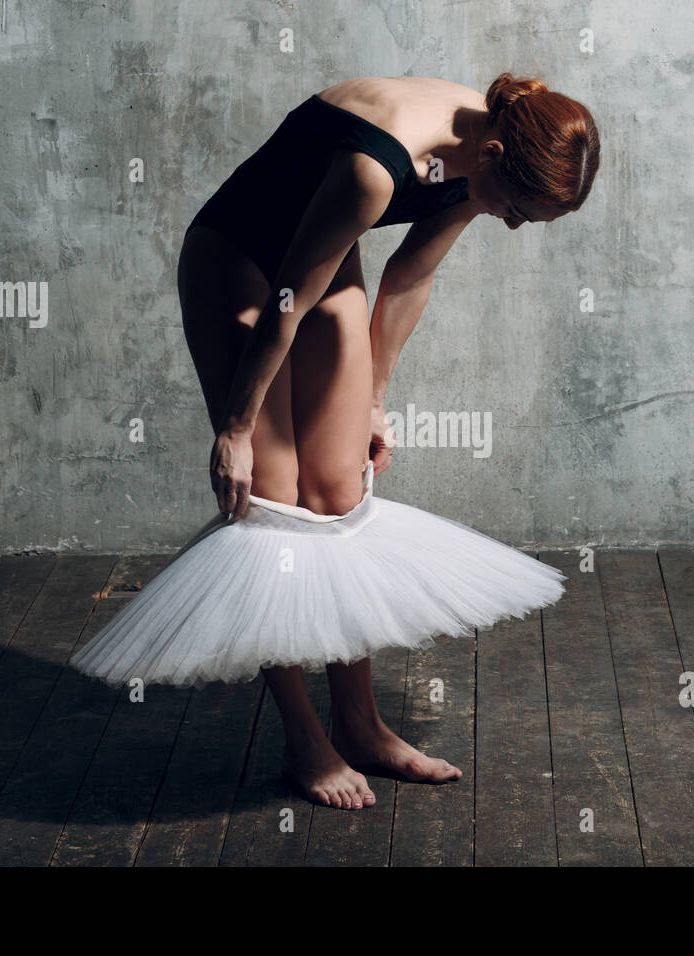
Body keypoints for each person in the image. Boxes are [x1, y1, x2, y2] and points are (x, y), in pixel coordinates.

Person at [73, 74, 600, 811]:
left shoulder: (484, 157)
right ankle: (303, 739)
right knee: (276, 506)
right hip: (241, 260)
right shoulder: (373, 168)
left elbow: (410, 273)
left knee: (342, 491)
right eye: (514, 211)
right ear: (493, 153)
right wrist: (235, 427)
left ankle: (359, 723)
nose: (510, 225)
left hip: (323, 258)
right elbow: (286, 304)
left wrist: (376, 400)